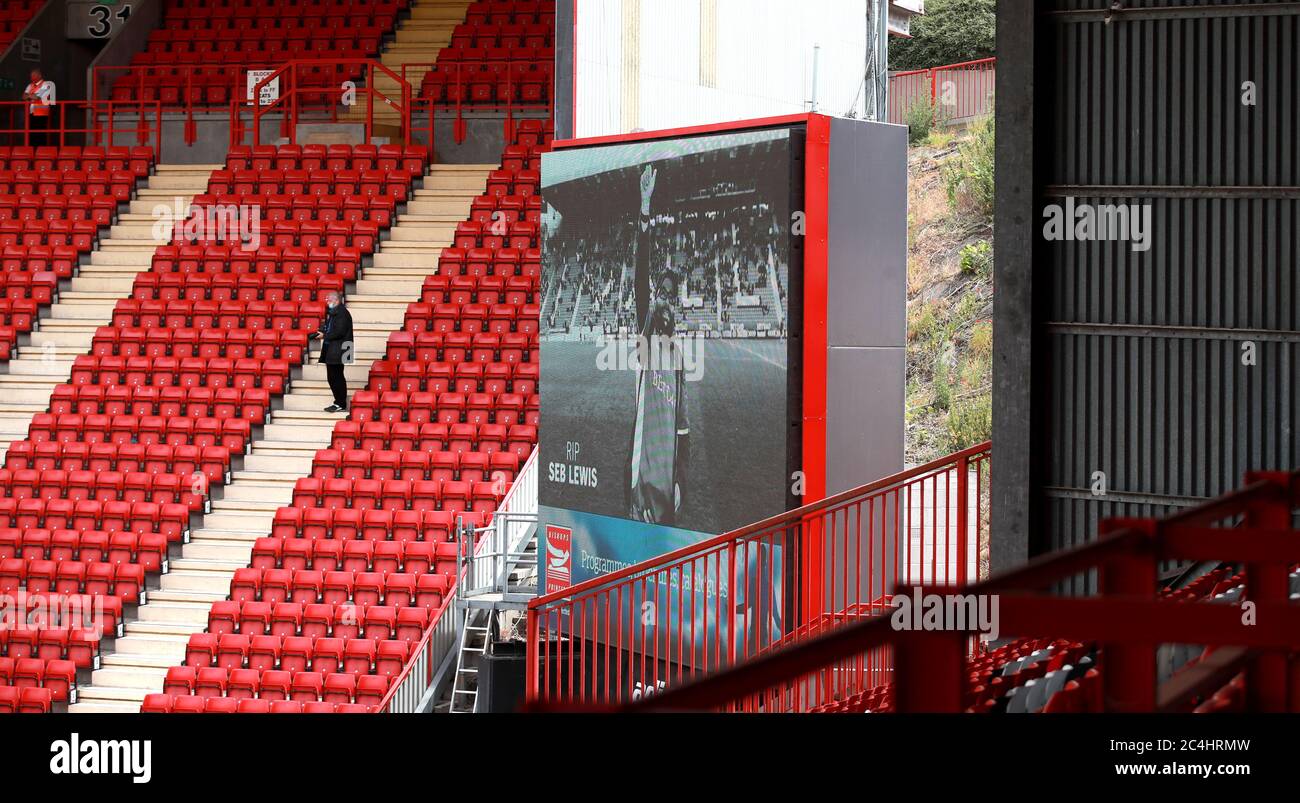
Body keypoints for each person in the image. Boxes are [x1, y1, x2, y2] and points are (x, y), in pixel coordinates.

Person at [625, 164, 691, 525]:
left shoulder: (679, 359)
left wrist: (681, 480)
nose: (664, 299)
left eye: (670, 295)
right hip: (641, 487)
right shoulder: (645, 341)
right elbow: (640, 277)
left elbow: (684, 427)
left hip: (668, 490)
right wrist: (645, 209)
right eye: (660, 294)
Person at [310, 291, 353, 412]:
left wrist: (324, 335)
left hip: (341, 349)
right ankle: (339, 402)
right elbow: (331, 329)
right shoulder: (335, 312)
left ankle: (340, 403)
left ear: (336, 300)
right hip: (338, 348)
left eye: (329, 300)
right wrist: (322, 331)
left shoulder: (342, 313)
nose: (327, 301)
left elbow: (339, 332)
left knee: (336, 377)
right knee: (334, 376)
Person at [22, 69, 55, 147]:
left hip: (41, 113)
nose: (31, 77)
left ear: (39, 76)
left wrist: (29, 95)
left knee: (40, 134)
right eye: (31, 75)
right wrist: (31, 96)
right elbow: (23, 96)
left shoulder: (46, 85)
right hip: (31, 112)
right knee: (31, 133)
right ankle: (32, 151)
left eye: (33, 75)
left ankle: (40, 151)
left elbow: (37, 97)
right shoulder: (30, 85)